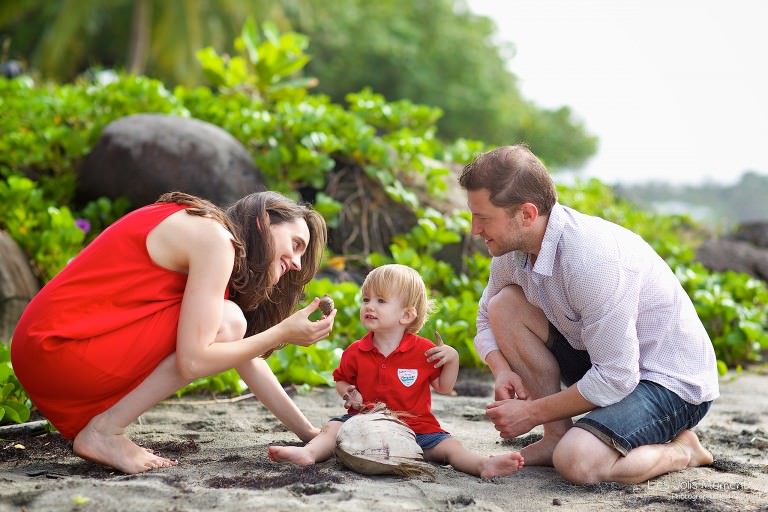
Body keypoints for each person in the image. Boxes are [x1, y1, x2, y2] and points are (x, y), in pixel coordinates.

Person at [11, 191, 337, 474]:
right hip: (58, 350)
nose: (296, 262)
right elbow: (194, 361)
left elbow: (245, 356)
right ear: (263, 222)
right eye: (295, 244)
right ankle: (105, 431)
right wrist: (281, 332)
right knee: (229, 322)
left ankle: (104, 429)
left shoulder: (208, 234)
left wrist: (309, 433)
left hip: (42, 352)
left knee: (227, 325)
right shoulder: (215, 240)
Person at [457, 145, 719, 485]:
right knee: (503, 306)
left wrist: (530, 412)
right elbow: (485, 318)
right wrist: (502, 369)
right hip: (608, 361)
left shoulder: (592, 262)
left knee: (577, 462)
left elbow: (616, 377)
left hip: (669, 382)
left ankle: (684, 451)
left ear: (527, 214)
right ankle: (554, 437)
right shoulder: (511, 249)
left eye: (484, 218)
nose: (474, 229)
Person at [268, 264, 525, 479]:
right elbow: (342, 381)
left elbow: (444, 388)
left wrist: (453, 360)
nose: (370, 306)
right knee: (333, 428)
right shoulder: (356, 351)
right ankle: (309, 454)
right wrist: (350, 393)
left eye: (381, 301)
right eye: (366, 299)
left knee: (451, 448)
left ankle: (482, 465)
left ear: (406, 315)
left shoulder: (424, 351)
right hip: (366, 423)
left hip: (417, 429)